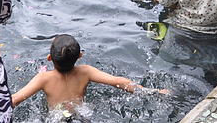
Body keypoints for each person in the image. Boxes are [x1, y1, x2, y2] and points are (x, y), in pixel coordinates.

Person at [11, 34, 153, 111]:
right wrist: (151, 91)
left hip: (56, 118)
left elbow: (14, 100)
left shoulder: (43, 78)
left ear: (49, 58)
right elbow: (118, 81)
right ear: (79, 56)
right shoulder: (86, 72)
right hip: (82, 113)